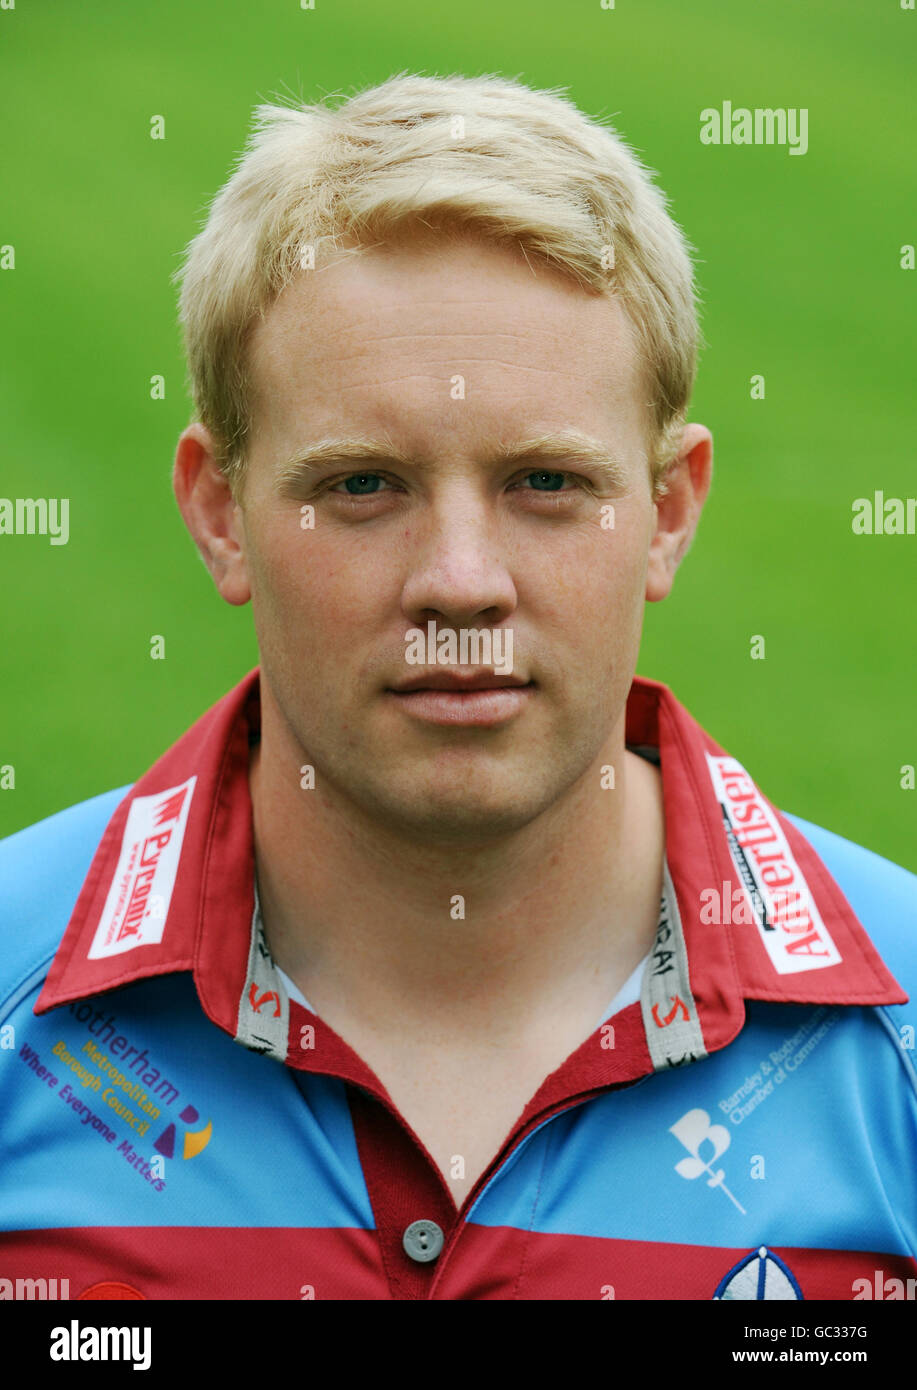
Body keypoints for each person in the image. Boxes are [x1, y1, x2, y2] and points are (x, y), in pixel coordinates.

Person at [1, 71, 914, 1303]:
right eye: (362, 486)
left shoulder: (895, 1040)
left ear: (666, 512)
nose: (460, 583)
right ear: (220, 513)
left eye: (545, 484)